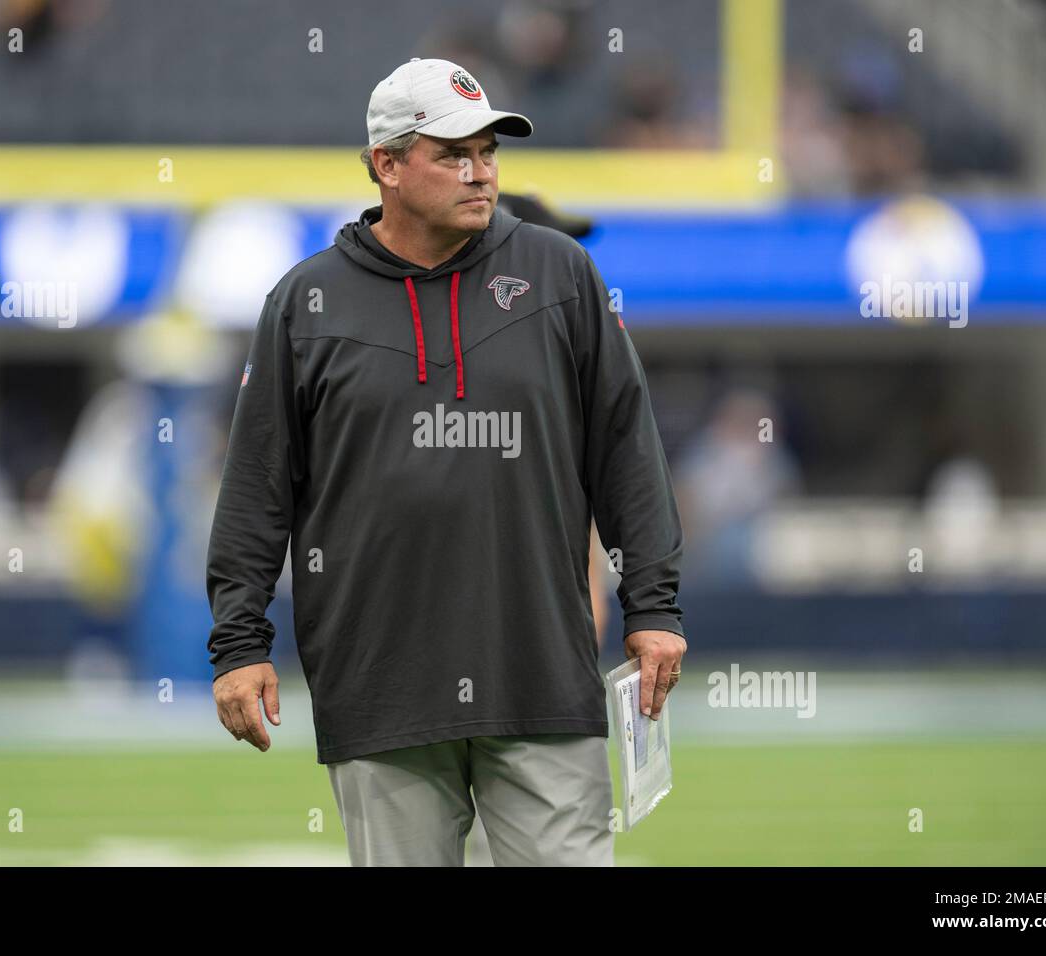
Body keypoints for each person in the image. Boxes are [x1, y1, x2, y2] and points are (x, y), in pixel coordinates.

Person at [206, 57, 687, 866]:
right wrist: (239, 642)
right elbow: (257, 489)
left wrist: (654, 608)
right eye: (453, 153)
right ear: (386, 164)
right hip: (379, 681)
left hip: (539, 671)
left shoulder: (559, 274)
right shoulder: (304, 303)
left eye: (489, 151)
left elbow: (626, 451)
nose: (480, 172)